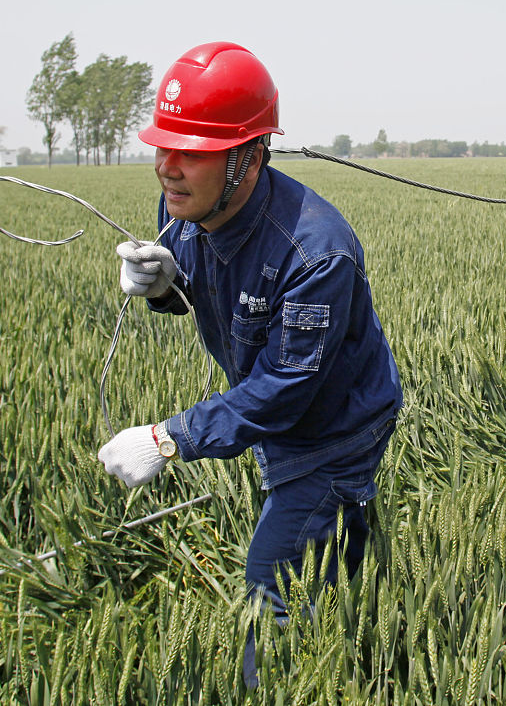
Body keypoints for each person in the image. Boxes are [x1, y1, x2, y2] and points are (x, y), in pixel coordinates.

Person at [95, 42, 403, 687]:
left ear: (248, 158)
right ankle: (374, 645)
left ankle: (272, 688)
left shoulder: (315, 253)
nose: (167, 169)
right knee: (333, 556)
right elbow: (202, 291)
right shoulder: (184, 209)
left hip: (334, 429)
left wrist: (167, 438)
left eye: (193, 152)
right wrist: (164, 288)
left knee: (271, 578)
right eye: (162, 147)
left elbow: (285, 389)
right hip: (288, 415)